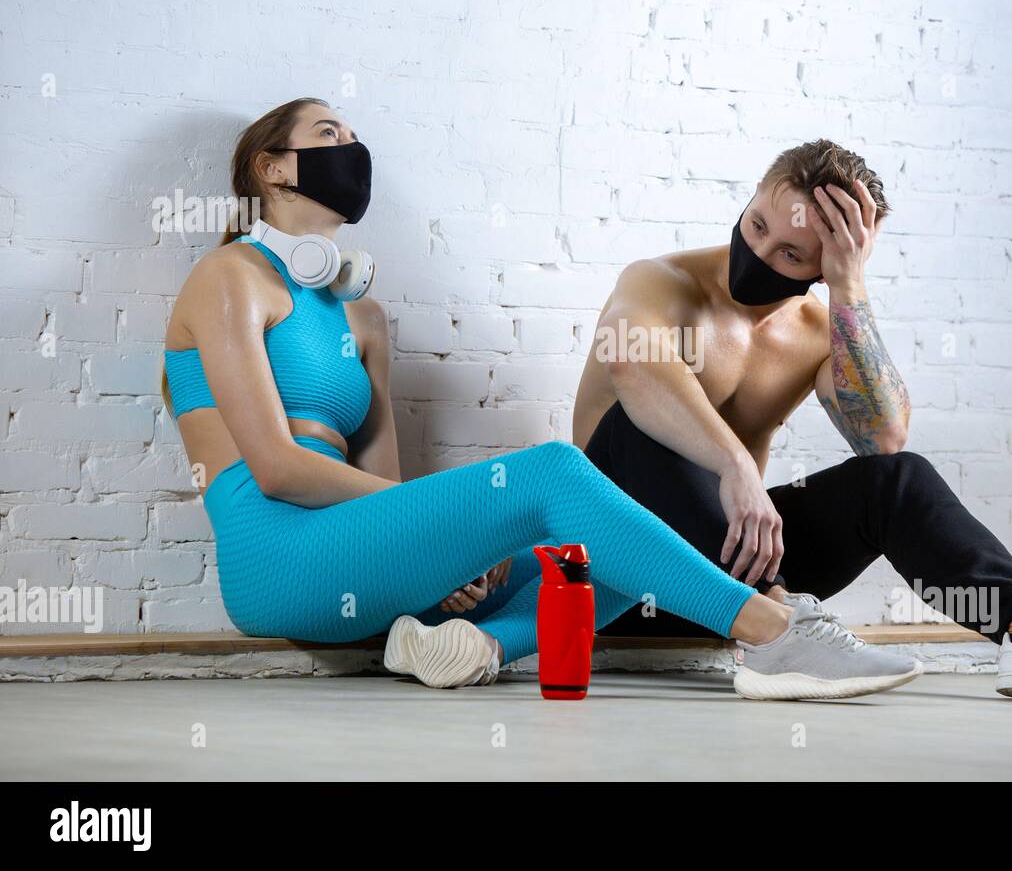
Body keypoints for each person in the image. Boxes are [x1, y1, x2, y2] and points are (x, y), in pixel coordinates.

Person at [160, 99, 924, 701]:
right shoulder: (231, 275)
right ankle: (771, 630)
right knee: (559, 472)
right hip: (276, 560)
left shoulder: (362, 316)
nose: (350, 150)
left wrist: (447, 550)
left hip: (362, 564)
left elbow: (392, 494)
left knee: (608, 534)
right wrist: (461, 533)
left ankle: (464, 646)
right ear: (272, 167)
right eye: (328, 132)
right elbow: (277, 469)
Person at [572, 138, 1012, 701]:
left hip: (735, 571)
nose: (757, 253)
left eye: (789, 253)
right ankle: (781, 629)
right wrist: (734, 464)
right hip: (620, 579)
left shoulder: (814, 330)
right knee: (634, 424)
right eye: (757, 224)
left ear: (822, 263)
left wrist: (849, 288)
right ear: (753, 195)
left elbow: (882, 437)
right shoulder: (660, 281)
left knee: (898, 478)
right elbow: (631, 365)